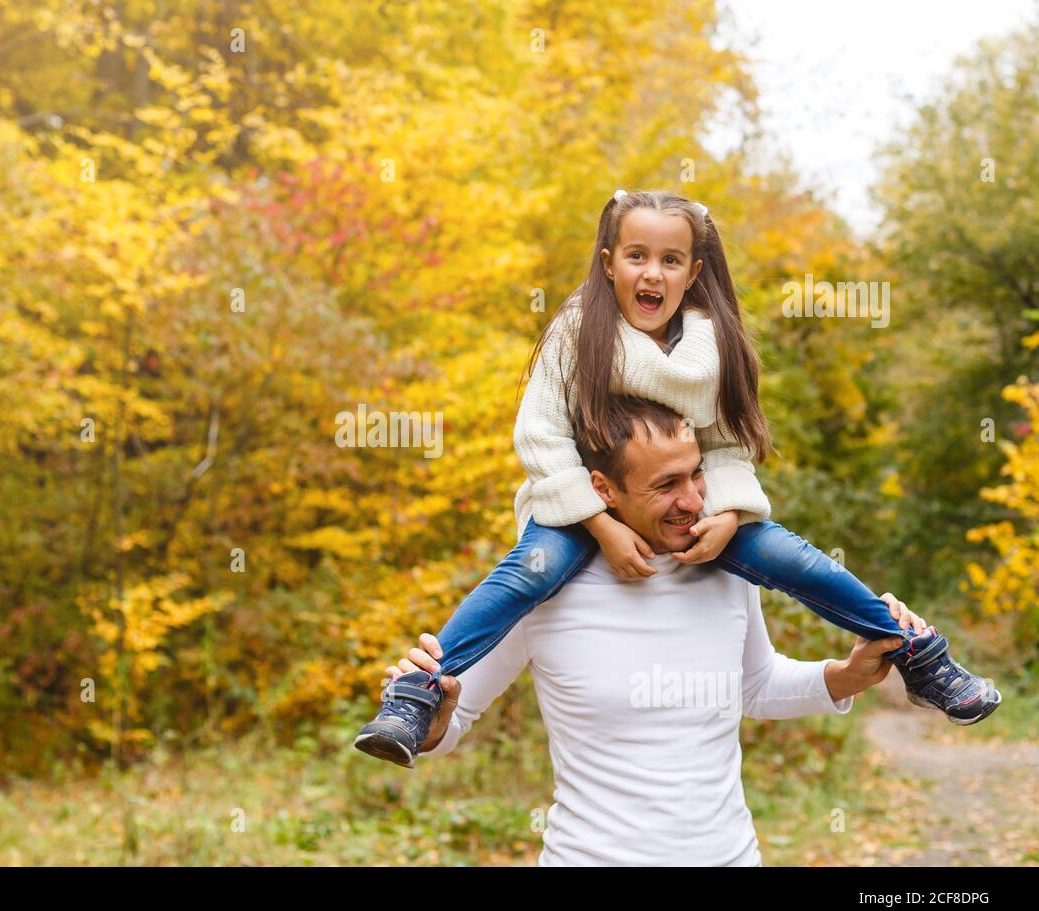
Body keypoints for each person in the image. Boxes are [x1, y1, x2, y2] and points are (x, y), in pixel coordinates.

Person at [355, 189, 999, 769]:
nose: (651, 273)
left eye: (670, 260)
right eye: (636, 255)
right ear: (608, 262)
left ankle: (917, 654)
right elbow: (540, 436)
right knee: (532, 569)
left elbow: (726, 447)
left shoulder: (709, 349)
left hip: (697, 514)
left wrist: (729, 513)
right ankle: (415, 693)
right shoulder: (578, 334)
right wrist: (600, 524)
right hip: (576, 507)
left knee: (784, 553)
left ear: (693, 273)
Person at [386, 398, 904, 865]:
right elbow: (450, 722)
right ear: (602, 490)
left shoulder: (723, 564)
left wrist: (846, 676)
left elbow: (754, 685)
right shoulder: (541, 587)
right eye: (664, 486)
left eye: (695, 475)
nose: (693, 501)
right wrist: (435, 720)